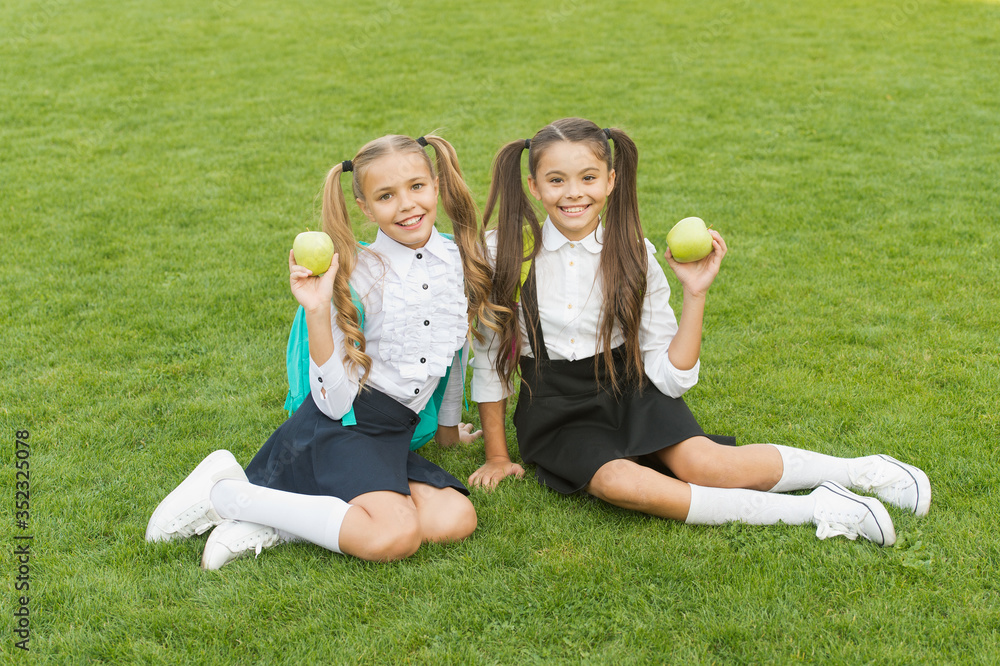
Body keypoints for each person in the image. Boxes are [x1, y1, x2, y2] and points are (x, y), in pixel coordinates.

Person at [468, 117, 930, 546]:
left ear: (610, 181)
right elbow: (491, 361)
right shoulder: (504, 252)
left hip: (628, 388)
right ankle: (816, 509)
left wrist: (696, 293)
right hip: (555, 410)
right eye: (556, 180)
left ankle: (862, 472)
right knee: (618, 482)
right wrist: (496, 455)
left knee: (705, 464)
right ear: (533, 186)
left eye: (588, 177)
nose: (574, 193)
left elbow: (670, 376)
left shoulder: (633, 253)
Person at [147, 133, 495, 568]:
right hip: (341, 426)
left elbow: (452, 355)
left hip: (391, 434)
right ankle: (225, 494)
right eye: (386, 196)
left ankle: (283, 522)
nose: (407, 205)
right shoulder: (358, 276)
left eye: (417, 187)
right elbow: (334, 404)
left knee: (455, 519)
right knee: (396, 535)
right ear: (366, 208)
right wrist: (316, 310)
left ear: (436, 185)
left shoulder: (456, 258)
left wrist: (446, 430)